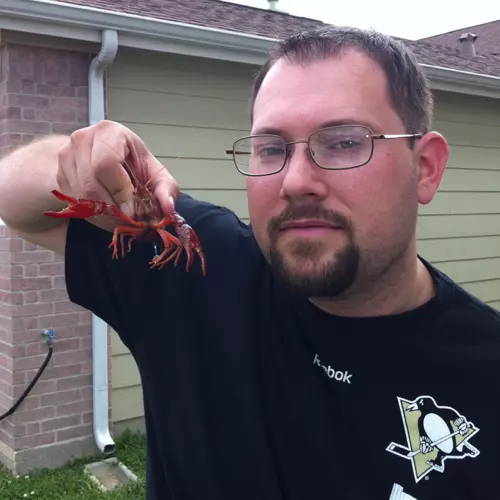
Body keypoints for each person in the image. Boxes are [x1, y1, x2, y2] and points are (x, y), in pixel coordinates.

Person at [0, 24, 499, 500]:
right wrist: (77, 158)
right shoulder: (195, 274)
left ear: (425, 169)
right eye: (271, 148)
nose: (296, 180)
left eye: (346, 141)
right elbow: (15, 200)